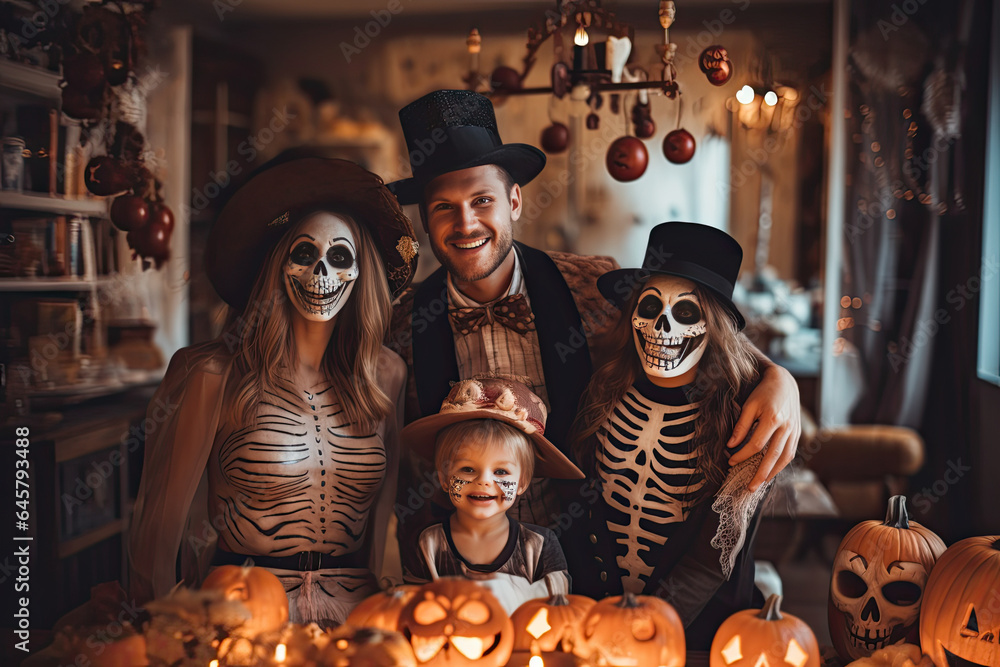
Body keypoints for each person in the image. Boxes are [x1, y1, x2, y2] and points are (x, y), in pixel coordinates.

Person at [387, 89, 800, 570]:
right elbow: (402, 474)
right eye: (443, 207)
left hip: (585, 565)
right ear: (424, 219)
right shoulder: (400, 322)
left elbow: (689, 328)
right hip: (460, 569)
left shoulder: (589, 284)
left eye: (482, 200)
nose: (465, 222)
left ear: (514, 201)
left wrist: (777, 377)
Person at [127, 158, 420, 627]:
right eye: (303, 254)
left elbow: (381, 519)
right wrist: (165, 634)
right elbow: (157, 538)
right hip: (241, 610)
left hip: (355, 614)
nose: (320, 272)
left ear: (361, 274)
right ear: (276, 264)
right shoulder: (213, 374)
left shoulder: (384, 374)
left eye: (339, 258)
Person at [566, 222, 772, 649]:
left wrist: (645, 634)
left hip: (697, 640)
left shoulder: (751, 417)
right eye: (650, 308)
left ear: (711, 326)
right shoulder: (602, 385)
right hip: (595, 621)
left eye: (686, 313)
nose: (662, 328)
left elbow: (710, 562)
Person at [400, 376, 583, 614]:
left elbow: (560, 611)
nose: (484, 480)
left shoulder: (540, 546)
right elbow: (413, 612)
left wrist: (505, 591)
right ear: (444, 478)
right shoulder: (427, 544)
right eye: (467, 469)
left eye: (501, 471)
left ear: (522, 482)